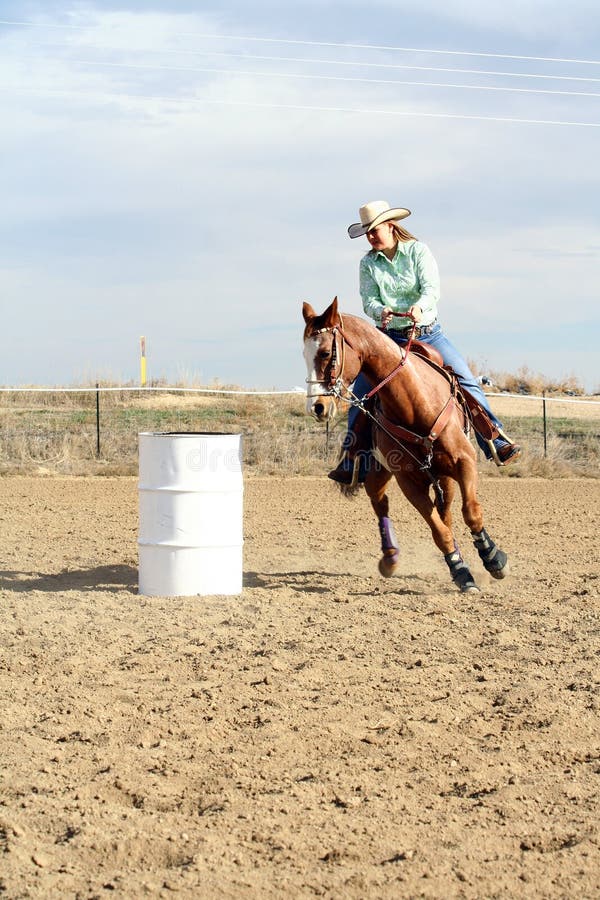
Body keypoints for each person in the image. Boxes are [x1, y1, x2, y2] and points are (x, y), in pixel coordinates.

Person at [329, 200, 521, 485]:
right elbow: (368, 299)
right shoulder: (368, 263)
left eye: (374, 230)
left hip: (427, 333)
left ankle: (495, 440)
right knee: (361, 396)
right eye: (367, 232)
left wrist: (419, 307)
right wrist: (379, 310)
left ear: (390, 226)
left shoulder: (418, 251)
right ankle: (354, 459)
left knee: (466, 380)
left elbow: (431, 289)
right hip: (388, 338)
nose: (370, 237)